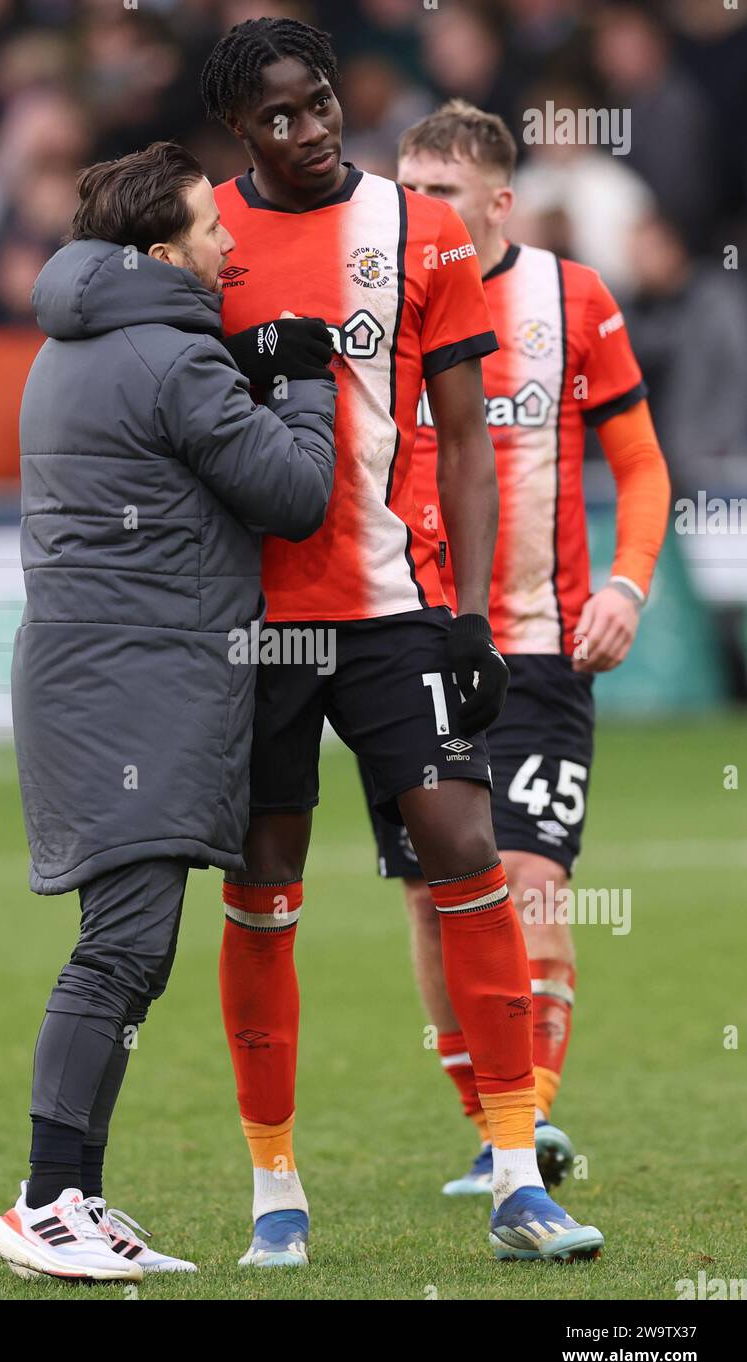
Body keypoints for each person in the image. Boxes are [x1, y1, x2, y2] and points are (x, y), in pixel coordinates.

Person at [202, 17, 603, 1266]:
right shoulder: (199, 239)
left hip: (389, 609)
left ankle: (510, 1176)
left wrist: (474, 612)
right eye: (278, 116)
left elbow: (466, 434)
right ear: (239, 131)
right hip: (257, 626)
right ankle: (274, 1187)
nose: (310, 131)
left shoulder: (418, 230)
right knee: (264, 892)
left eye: (319, 103)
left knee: (460, 849)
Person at [0, 139, 338, 1282]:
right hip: (128, 687)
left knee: (124, 952)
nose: (230, 241)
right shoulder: (167, 358)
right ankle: (44, 1202)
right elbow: (292, 493)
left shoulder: (72, 344)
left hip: (97, 674)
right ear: (159, 252)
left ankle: (76, 1194)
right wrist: (304, 383)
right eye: (210, 226)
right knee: (119, 954)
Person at [362, 100, 670, 1196]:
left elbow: (638, 463)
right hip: (407, 646)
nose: (417, 210)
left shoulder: (571, 298)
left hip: (536, 648)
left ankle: (525, 1127)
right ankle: (486, 1125)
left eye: (439, 193)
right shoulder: (379, 299)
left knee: (529, 878)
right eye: (406, 188)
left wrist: (627, 584)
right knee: (429, 894)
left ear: (497, 201)